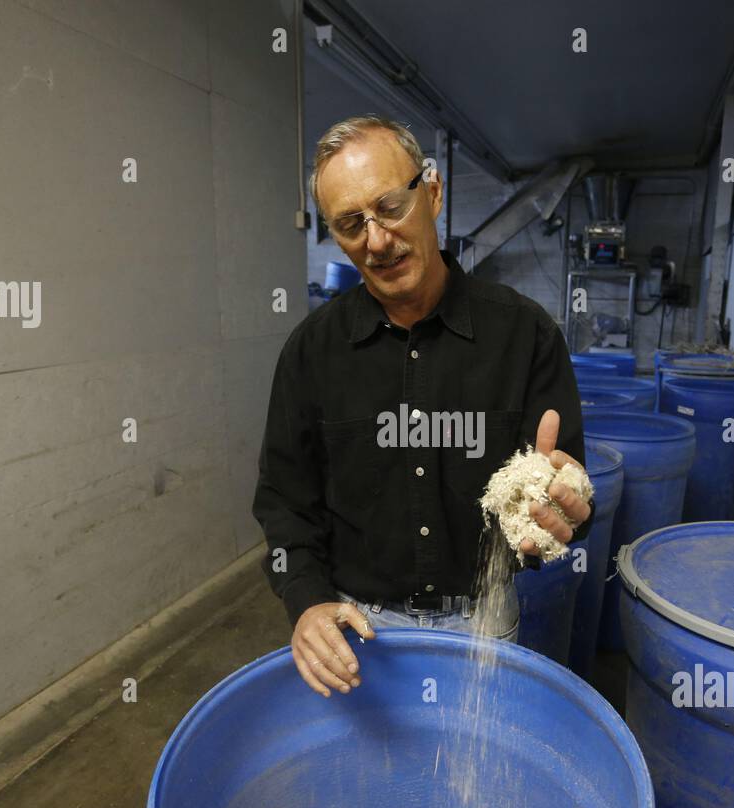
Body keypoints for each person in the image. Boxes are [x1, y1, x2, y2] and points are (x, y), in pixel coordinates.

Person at [252, 115, 592, 698]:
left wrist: (567, 507)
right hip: (359, 632)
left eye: (389, 207)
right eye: (351, 224)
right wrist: (306, 603)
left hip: (485, 624)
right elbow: (285, 504)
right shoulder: (312, 352)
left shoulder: (524, 334)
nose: (377, 240)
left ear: (431, 193)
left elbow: (565, 485)